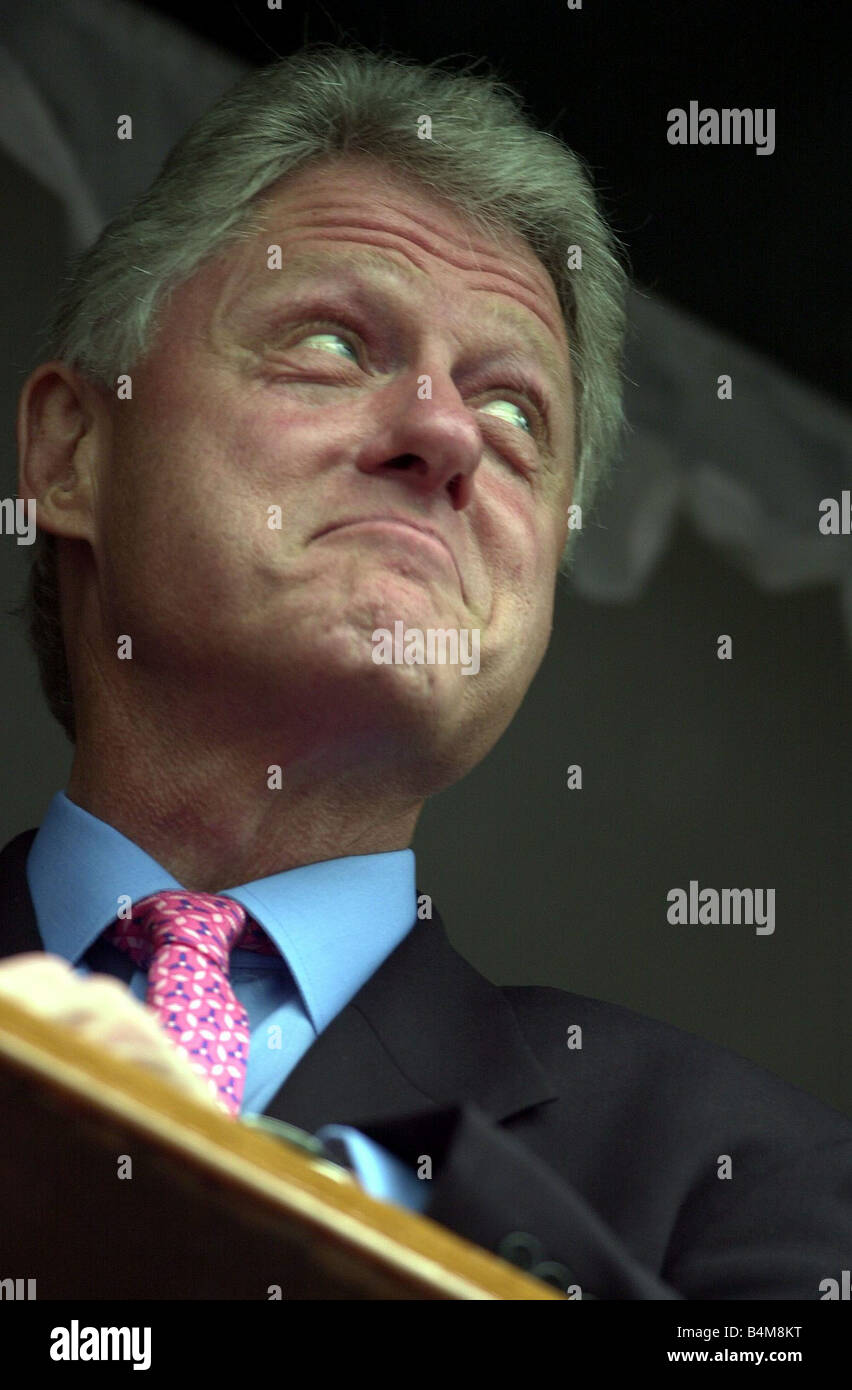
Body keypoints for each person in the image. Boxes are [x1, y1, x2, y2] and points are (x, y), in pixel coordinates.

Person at [1, 44, 849, 1301]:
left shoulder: (751, 1177)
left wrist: (336, 1203)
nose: (447, 432)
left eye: (517, 415)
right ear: (73, 453)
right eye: (337, 342)